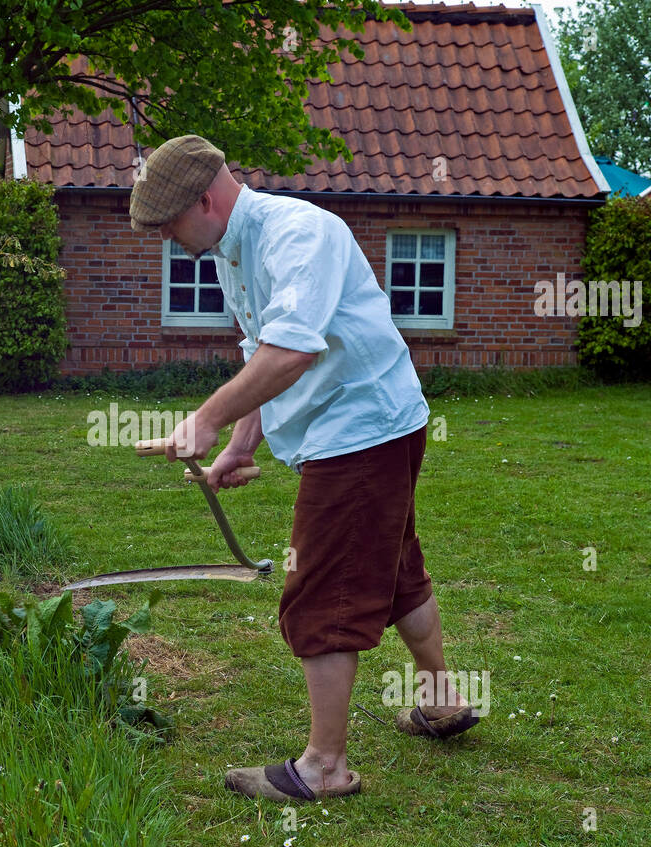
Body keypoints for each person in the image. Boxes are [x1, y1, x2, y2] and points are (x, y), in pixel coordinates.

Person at [130, 135, 481, 804]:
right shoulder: (234, 252)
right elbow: (264, 353)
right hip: (372, 425)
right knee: (397, 566)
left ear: (206, 200)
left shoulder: (297, 234)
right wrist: (239, 444)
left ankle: (324, 767)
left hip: (361, 430)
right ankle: (442, 699)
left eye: (172, 224)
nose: (172, 240)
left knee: (322, 586)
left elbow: (291, 352)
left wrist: (202, 421)